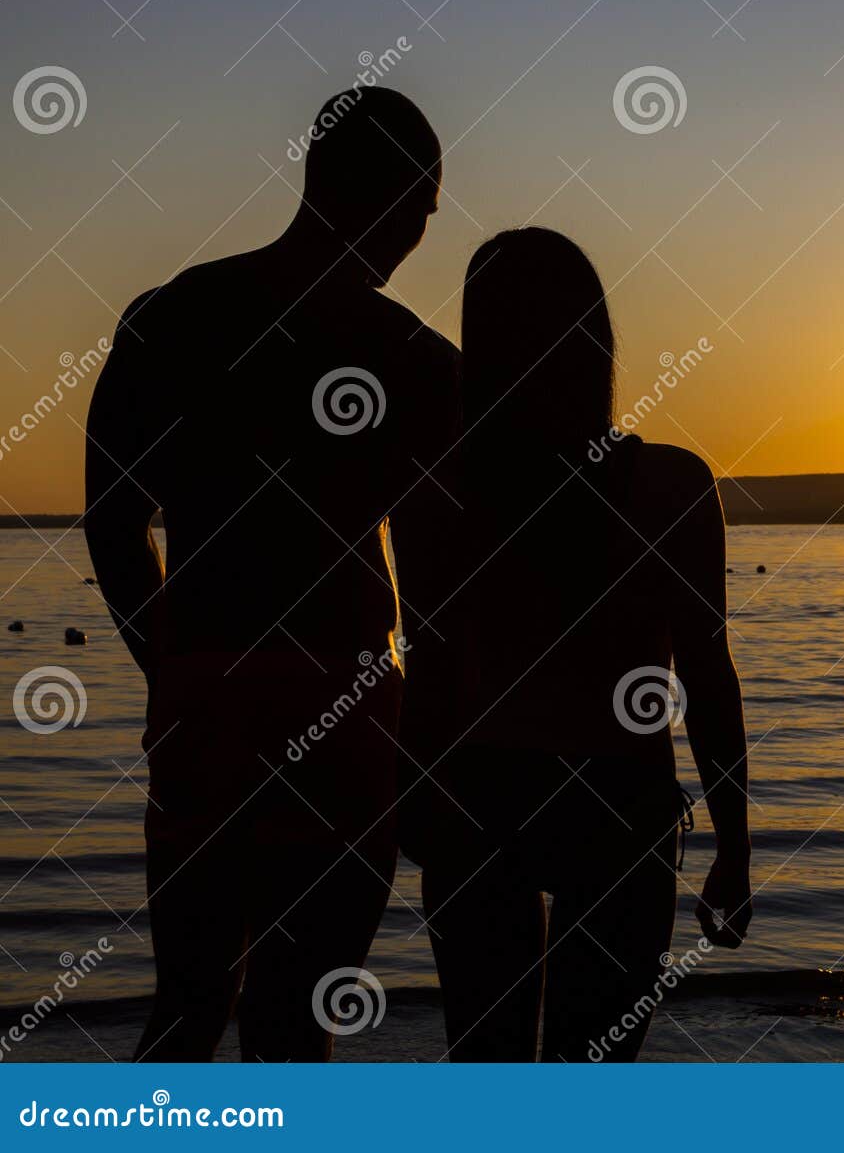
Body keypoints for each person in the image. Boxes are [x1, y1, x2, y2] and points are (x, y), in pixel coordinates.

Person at [83, 88, 459, 1061]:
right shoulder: (410, 356)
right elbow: (448, 564)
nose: (418, 236)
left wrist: (171, 662)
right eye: (420, 213)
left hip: (211, 686)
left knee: (190, 1000)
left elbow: (115, 521)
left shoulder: (169, 318)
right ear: (394, 195)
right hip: (343, 691)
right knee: (295, 1017)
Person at [400, 228, 752, 1062]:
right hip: (618, 800)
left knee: (487, 1071)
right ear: (597, 341)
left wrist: (413, 807)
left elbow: (431, 670)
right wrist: (734, 848)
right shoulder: (669, 487)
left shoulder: (434, 492)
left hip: (482, 795)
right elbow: (708, 674)